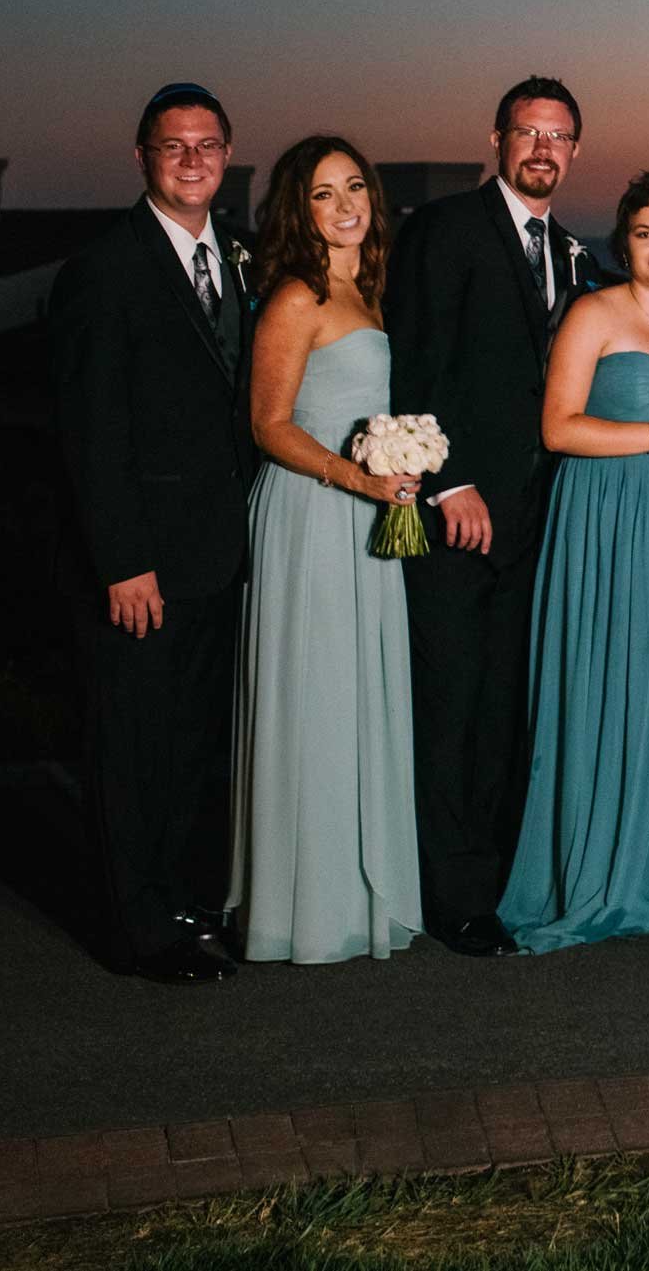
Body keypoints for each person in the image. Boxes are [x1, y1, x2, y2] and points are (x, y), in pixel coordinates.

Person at [386, 76, 606, 958]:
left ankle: (497, 880)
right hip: (460, 515)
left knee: (505, 708)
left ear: (575, 150)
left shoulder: (575, 253)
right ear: (497, 139)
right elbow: (416, 359)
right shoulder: (443, 230)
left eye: (557, 135)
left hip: (538, 522)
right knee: (450, 708)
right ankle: (452, 896)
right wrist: (450, 481)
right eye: (527, 132)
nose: (542, 148)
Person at [46, 82, 254, 982]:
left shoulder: (237, 259)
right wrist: (123, 561)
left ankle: (186, 904)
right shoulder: (104, 269)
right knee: (133, 749)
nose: (194, 159)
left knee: (194, 742)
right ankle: (138, 931)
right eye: (175, 146)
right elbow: (90, 433)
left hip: (219, 552)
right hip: (142, 564)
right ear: (142, 157)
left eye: (208, 144)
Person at [498, 172, 649, 952]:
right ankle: (597, 867)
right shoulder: (594, 312)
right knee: (612, 675)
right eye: (644, 231)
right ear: (622, 242)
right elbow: (559, 426)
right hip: (609, 515)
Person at [226, 135, 423, 963]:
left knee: (358, 695)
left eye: (354, 188)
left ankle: (358, 894)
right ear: (297, 212)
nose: (345, 206)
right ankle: (301, 908)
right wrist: (355, 476)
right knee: (314, 697)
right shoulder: (296, 298)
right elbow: (267, 426)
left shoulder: (370, 291)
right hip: (311, 514)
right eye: (321, 194)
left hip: (367, 515)